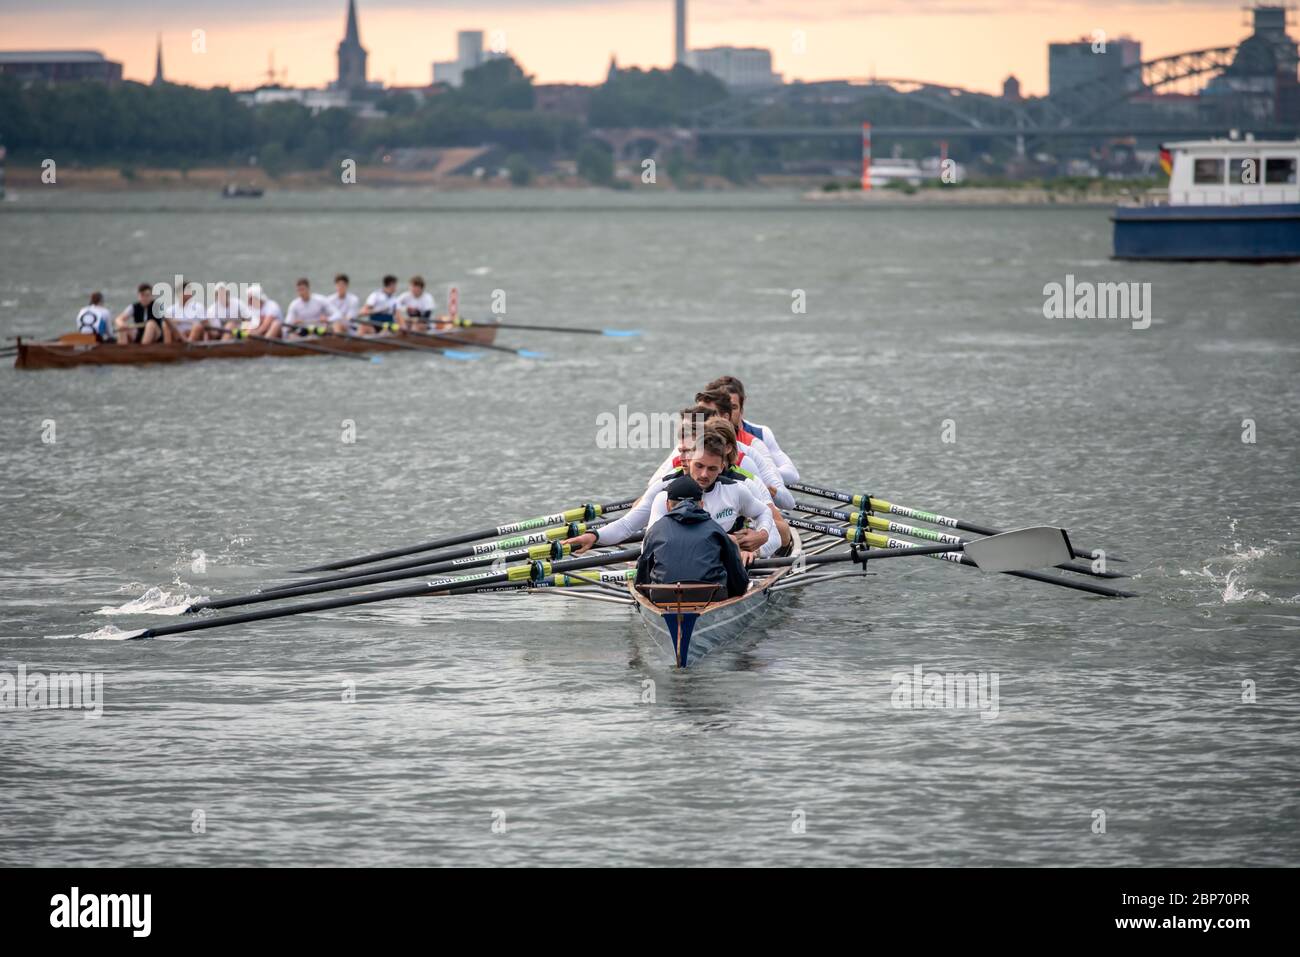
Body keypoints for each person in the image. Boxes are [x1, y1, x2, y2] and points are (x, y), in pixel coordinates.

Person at [567, 429, 779, 559]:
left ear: (723, 466)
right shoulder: (664, 491)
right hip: (673, 566)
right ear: (689, 461)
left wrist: (762, 535)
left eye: (712, 469)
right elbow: (627, 525)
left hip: (718, 566)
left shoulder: (736, 490)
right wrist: (594, 536)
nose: (704, 475)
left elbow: (764, 513)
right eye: (699, 466)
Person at [635, 475, 751, 599]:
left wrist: (644, 595)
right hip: (710, 595)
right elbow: (738, 579)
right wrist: (738, 593)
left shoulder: (655, 530)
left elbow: (642, 578)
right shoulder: (716, 529)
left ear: (667, 505)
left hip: (664, 596)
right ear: (701, 504)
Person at [692, 390, 794, 509]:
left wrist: (765, 489)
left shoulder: (749, 453)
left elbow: (788, 502)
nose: (699, 420)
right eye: (698, 414)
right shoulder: (690, 449)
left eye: (705, 415)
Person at [704, 375, 799, 483]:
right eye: (721, 409)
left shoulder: (760, 433)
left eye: (733, 407)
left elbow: (793, 475)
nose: (727, 414)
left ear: (742, 406)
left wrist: (760, 469)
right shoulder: (697, 434)